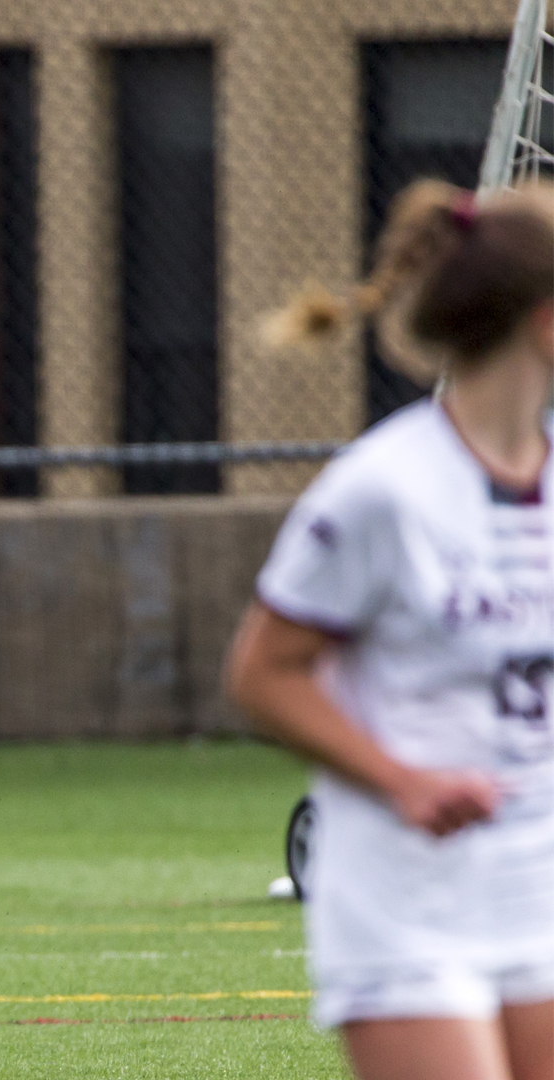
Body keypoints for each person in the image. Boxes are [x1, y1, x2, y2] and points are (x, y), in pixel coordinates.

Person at [226, 179, 554, 1080]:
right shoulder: (384, 489)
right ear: (544, 323)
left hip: (535, 890)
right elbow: (262, 674)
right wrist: (403, 781)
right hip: (408, 904)